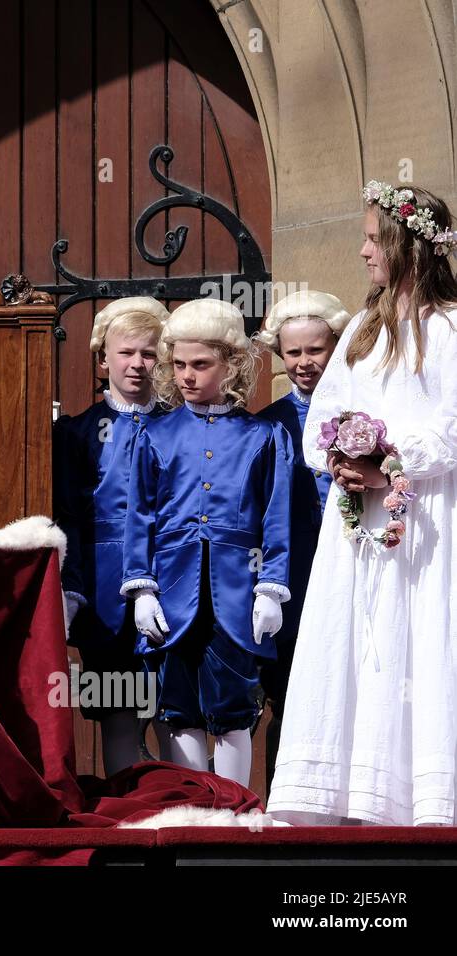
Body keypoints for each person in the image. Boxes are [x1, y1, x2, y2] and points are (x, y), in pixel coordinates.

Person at [269, 183, 457, 825]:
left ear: (407, 245)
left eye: (374, 238)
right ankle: (351, 796)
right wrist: (341, 457)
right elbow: (321, 417)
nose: (362, 251)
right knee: (358, 644)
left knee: (422, 641)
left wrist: (392, 459)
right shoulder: (361, 332)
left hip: (428, 520)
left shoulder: (451, 326)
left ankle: (423, 798)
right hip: (356, 529)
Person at [121, 298, 293, 787]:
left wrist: (271, 586)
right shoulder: (152, 434)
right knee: (177, 704)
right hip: (172, 590)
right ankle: (191, 808)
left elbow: (275, 517)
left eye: (201, 364)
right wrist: (142, 587)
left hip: (239, 592)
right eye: (178, 364)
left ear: (232, 364)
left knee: (235, 702)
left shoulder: (264, 436)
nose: (186, 376)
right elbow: (139, 514)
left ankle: (234, 808)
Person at [53, 296, 169, 775]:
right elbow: (68, 516)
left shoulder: (179, 426)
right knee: (118, 710)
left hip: (171, 580)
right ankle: (126, 815)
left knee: (174, 710)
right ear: (103, 358)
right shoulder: (75, 433)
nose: (137, 364)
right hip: (103, 590)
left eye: (149, 353)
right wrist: (71, 591)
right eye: (126, 353)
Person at [253, 290, 351, 790]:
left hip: (352, 569)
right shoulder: (267, 425)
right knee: (288, 694)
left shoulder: (362, 413)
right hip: (292, 579)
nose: (304, 363)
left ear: (336, 345)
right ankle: (286, 799)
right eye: (293, 353)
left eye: (315, 350)